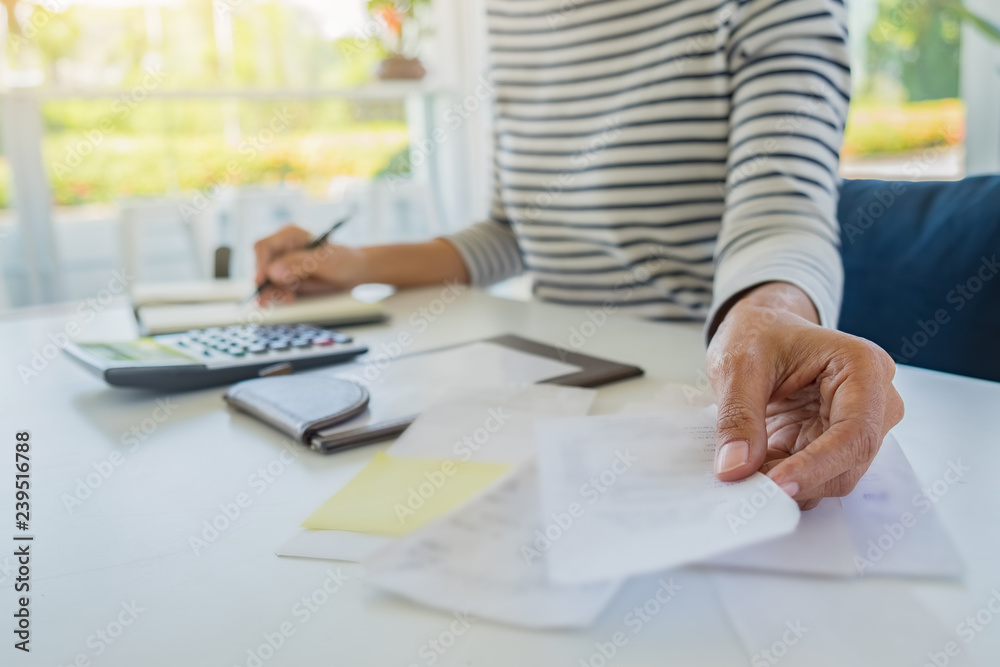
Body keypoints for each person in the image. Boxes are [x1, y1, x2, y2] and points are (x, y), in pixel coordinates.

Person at [253, 0, 903, 510]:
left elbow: (781, 209)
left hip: (700, 389)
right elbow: (512, 231)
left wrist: (770, 314)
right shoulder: (512, 11)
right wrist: (355, 264)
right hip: (546, 387)